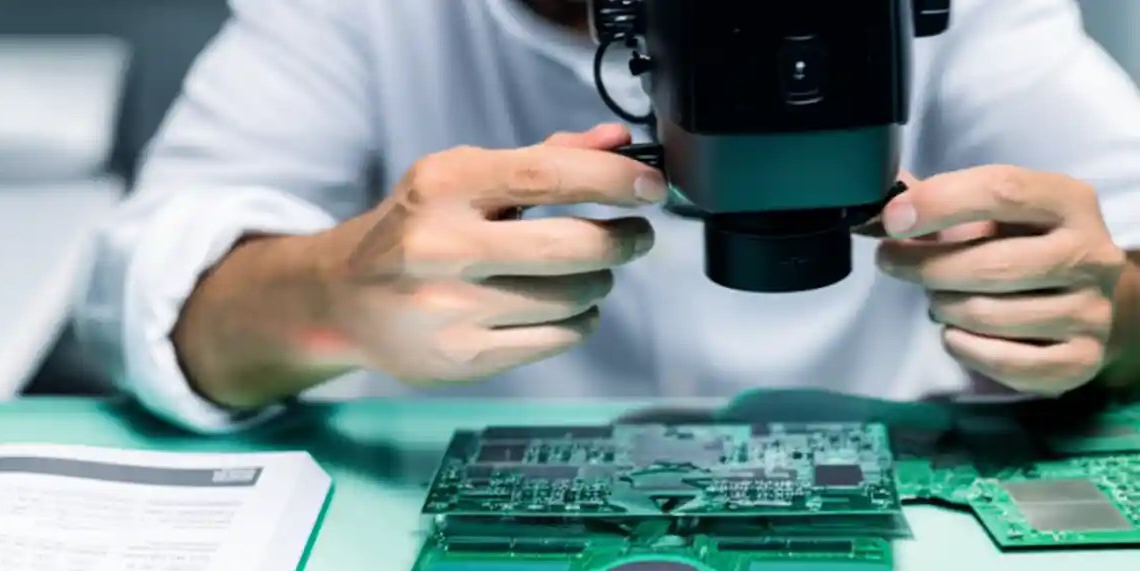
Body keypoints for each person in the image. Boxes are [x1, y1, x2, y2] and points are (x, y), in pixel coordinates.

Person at [79, 0, 1140, 433]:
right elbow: (144, 285)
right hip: (462, 473)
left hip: (873, 479)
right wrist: (333, 300)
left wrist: (1098, 311)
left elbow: (1124, 244)